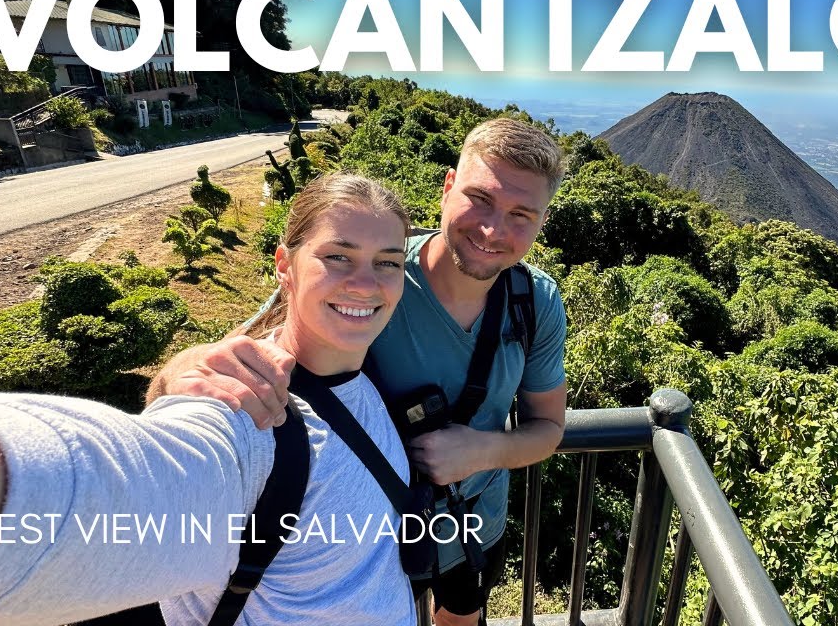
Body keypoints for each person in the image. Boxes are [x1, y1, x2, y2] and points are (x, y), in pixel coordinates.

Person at [0, 173, 420, 626]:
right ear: (284, 265)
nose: (365, 283)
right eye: (337, 256)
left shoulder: (368, 370)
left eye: (388, 263)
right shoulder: (244, 412)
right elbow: (106, 483)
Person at [148, 118, 570, 625]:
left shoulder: (534, 301)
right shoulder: (374, 274)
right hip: (363, 529)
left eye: (521, 214)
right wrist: (177, 372)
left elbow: (548, 428)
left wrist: (481, 451)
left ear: (542, 221)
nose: (492, 229)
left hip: (471, 517)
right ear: (448, 186)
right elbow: (252, 348)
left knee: (460, 615)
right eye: (480, 198)